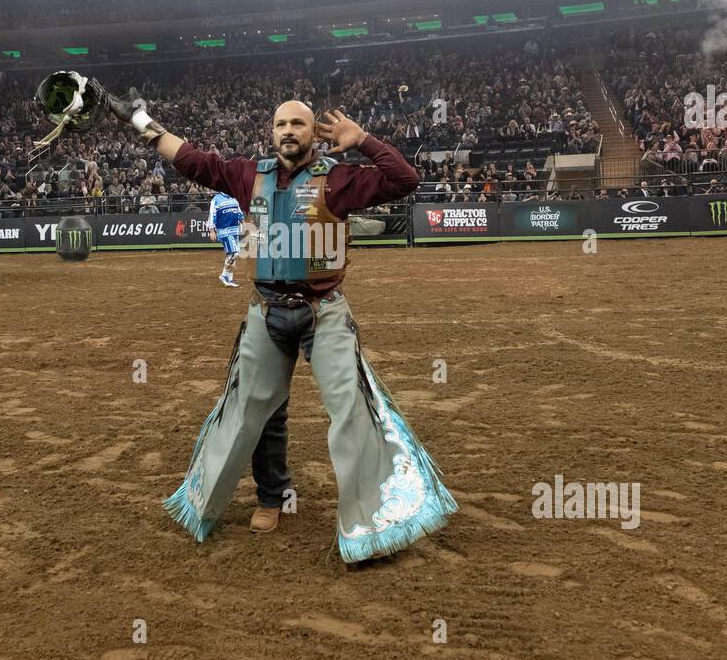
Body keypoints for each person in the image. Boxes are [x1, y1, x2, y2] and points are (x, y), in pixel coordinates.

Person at [95, 81, 457, 562]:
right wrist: (138, 120)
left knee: (350, 410)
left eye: (298, 123)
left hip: (324, 312)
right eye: (281, 124)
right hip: (265, 311)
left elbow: (405, 180)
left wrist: (364, 139)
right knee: (255, 411)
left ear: (314, 132)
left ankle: (370, 522)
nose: (289, 131)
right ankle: (273, 498)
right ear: (272, 133)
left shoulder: (340, 178)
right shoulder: (249, 175)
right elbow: (192, 161)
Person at [207, 189, 245, 288]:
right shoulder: (216, 199)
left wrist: (244, 224)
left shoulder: (234, 198)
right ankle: (224, 275)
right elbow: (212, 215)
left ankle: (230, 278)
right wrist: (211, 231)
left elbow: (239, 213)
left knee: (233, 254)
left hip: (235, 230)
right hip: (224, 231)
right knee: (234, 253)